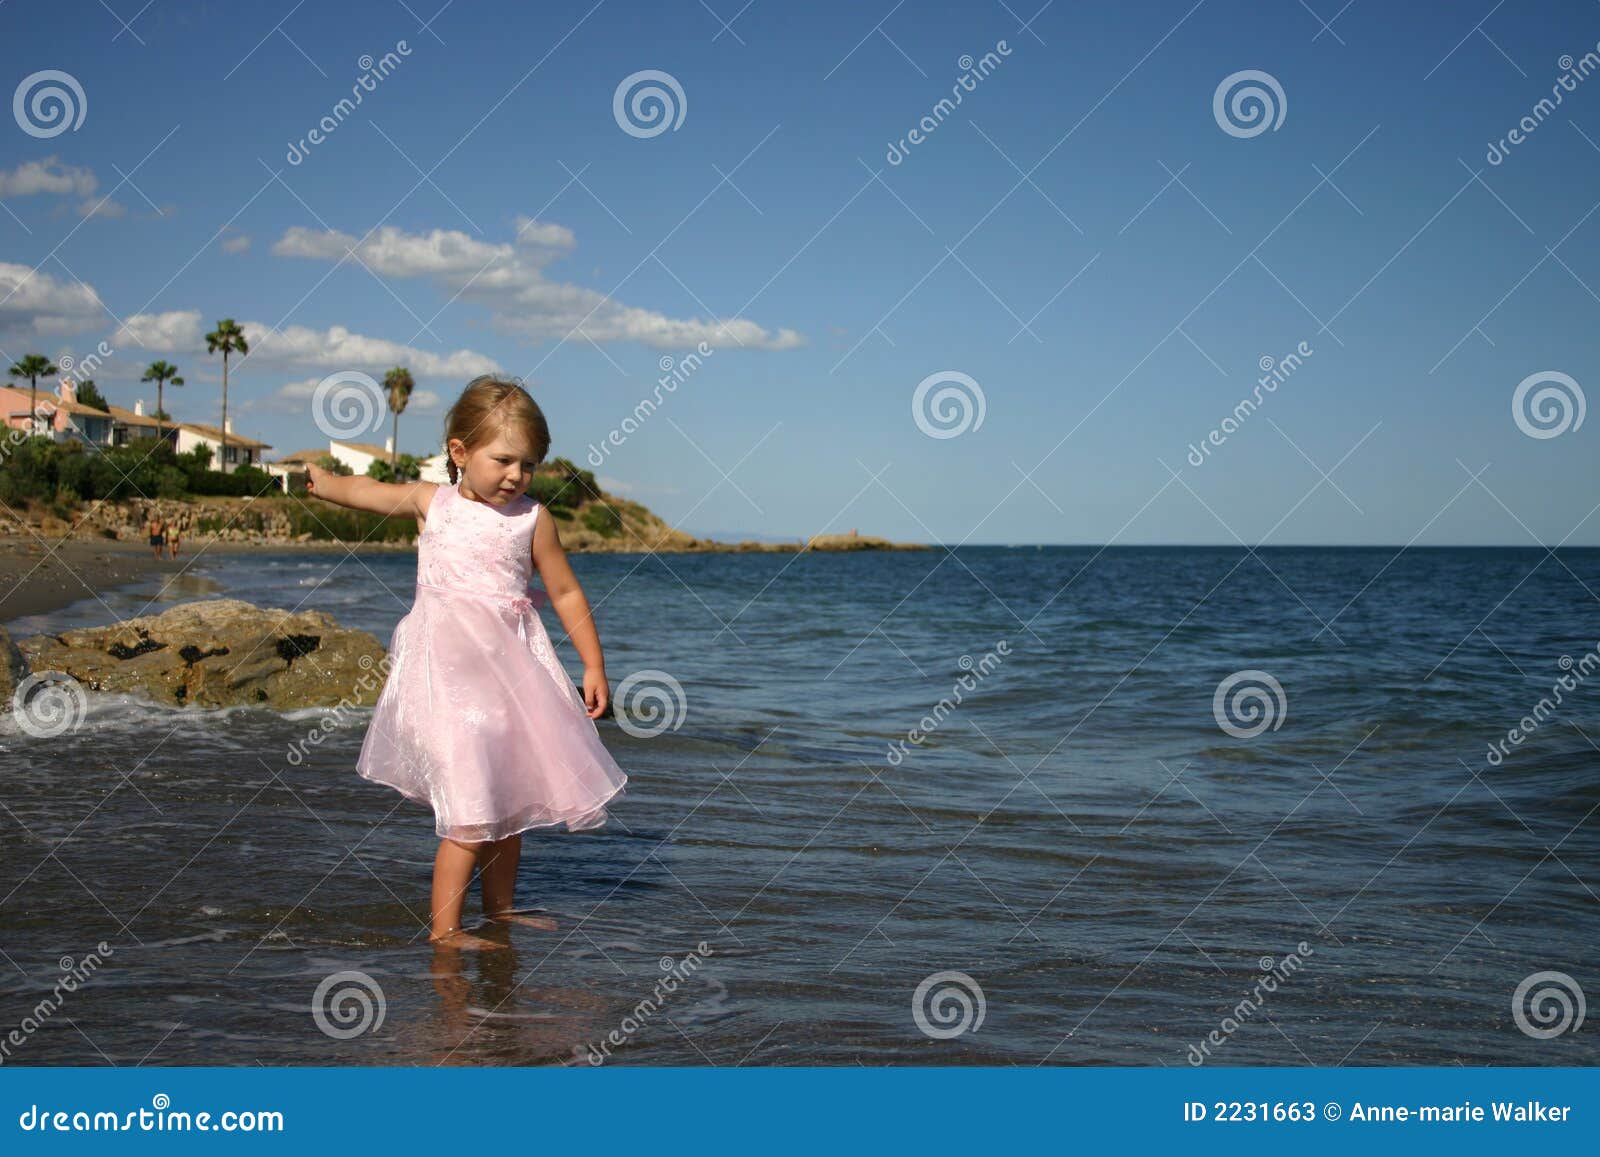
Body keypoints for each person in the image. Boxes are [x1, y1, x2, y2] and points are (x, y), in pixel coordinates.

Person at [304, 375, 628, 951]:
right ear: (459, 452)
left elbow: (567, 593)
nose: (515, 476)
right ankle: (445, 931)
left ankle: (499, 912)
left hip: (512, 688)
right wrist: (325, 484)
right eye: (503, 460)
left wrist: (594, 665)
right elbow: (368, 491)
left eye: (528, 465)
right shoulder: (435, 504)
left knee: (509, 804)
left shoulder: (533, 520)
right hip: (446, 688)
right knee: (470, 812)